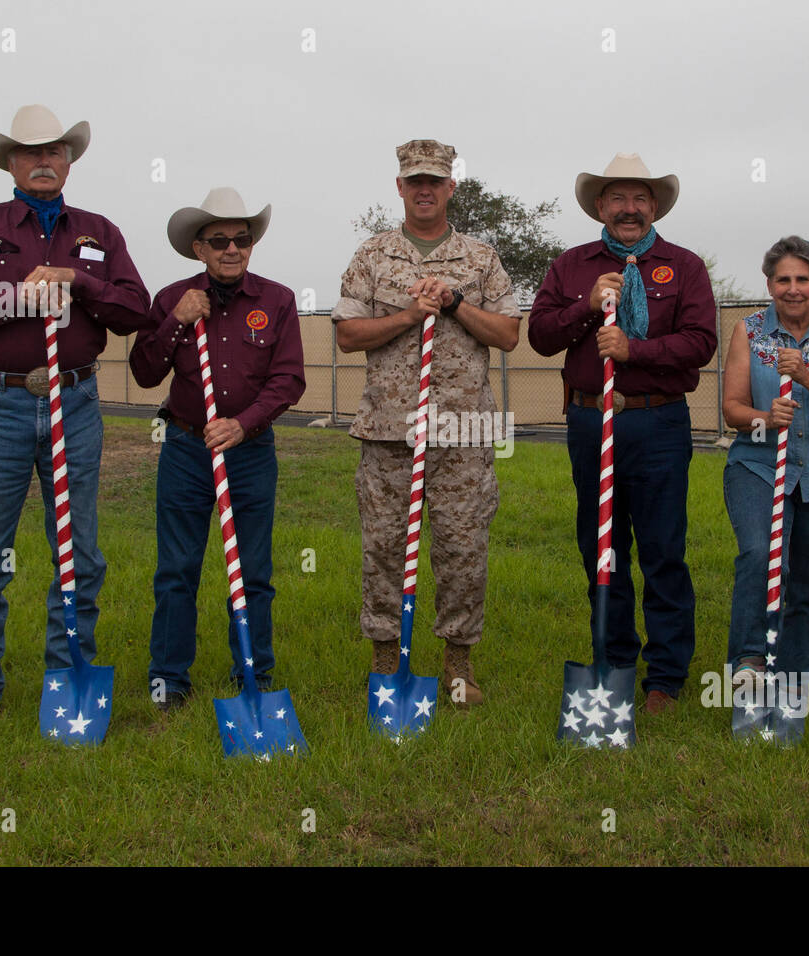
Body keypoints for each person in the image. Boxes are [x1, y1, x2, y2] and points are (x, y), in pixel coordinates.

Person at [0, 104, 151, 729]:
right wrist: (14, 296)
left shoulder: (99, 232)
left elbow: (134, 309)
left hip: (72, 401)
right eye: (30, 152)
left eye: (55, 150)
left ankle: (69, 679)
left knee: (79, 552)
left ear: (70, 160)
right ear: (10, 163)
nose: (44, 160)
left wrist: (78, 281)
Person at [332, 139, 522, 706]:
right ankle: (386, 662)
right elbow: (346, 335)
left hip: (462, 432)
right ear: (399, 187)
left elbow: (509, 334)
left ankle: (458, 668)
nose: (424, 190)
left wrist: (456, 303)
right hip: (390, 429)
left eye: (434, 181)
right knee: (385, 546)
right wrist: (412, 313)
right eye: (414, 180)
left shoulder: (481, 258)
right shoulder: (373, 255)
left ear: (450, 188)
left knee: (463, 548)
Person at [528, 153, 716, 714]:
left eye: (639, 199)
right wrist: (585, 309)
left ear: (654, 207)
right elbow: (538, 336)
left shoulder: (684, 266)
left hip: (658, 420)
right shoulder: (570, 266)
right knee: (602, 547)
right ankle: (612, 662)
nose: (628, 209)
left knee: (663, 550)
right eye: (617, 199)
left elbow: (700, 342)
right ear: (600, 207)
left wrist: (637, 350)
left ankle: (665, 677)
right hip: (591, 420)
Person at [129, 188, 305, 710]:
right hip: (185, 448)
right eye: (220, 240)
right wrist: (176, 321)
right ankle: (169, 679)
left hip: (250, 452)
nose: (233, 249)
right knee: (177, 568)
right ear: (198, 249)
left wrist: (243, 424)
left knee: (251, 572)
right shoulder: (171, 299)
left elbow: (289, 379)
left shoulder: (277, 300)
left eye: (242, 239)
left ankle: (254, 673)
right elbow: (143, 372)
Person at [721, 236, 809, 695]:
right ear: (769, 284)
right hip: (759, 467)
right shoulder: (749, 331)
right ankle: (749, 662)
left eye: (802, 279)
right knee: (761, 556)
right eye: (783, 279)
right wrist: (764, 418)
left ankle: (792, 681)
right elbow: (732, 409)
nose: (793, 288)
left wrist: (808, 378)